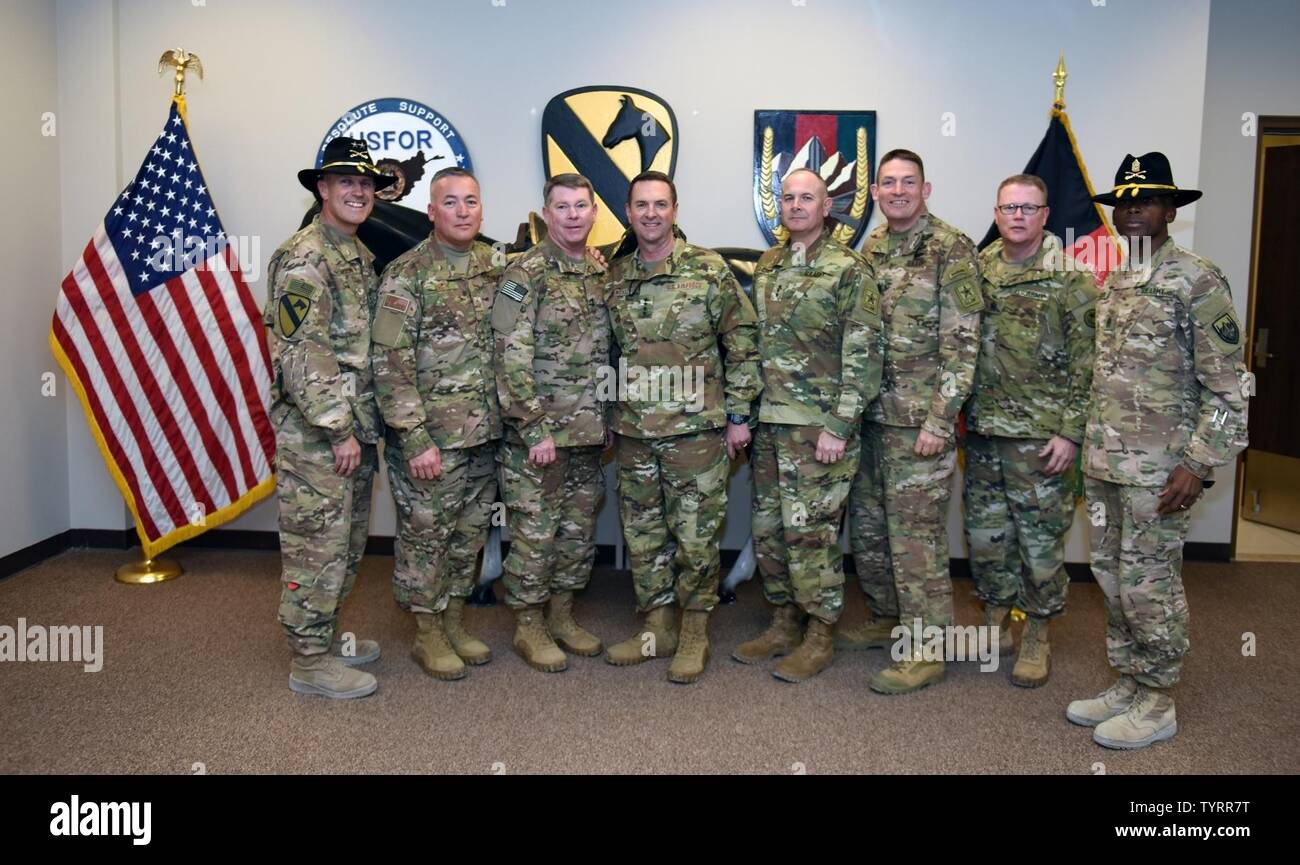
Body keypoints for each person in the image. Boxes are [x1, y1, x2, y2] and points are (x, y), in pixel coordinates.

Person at [1067, 152, 1248, 749]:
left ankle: (1159, 700)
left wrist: (1198, 463)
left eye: (1146, 200)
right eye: (1125, 201)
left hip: (1160, 470)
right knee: (1113, 576)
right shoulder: (1119, 279)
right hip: (1107, 466)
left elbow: (1230, 385)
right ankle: (1130, 680)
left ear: (1171, 209)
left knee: (1151, 584)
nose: (1134, 210)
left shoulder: (1197, 279)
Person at [603, 171, 761, 683]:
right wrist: (607, 416)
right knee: (645, 535)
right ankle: (657, 627)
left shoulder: (708, 271)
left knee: (695, 537)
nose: (651, 213)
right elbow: (606, 355)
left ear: (675, 210)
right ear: (629, 212)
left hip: (697, 433)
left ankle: (694, 632)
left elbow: (742, 344)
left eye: (661, 204)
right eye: (641, 205)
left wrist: (739, 416)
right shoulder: (616, 277)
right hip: (634, 433)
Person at [731, 168, 883, 683]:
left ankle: (819, 632)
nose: (796, 205)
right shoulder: (771, 264)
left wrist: (839, 426)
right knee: (770, 531)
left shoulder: (848, 268)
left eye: (807, 198)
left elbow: (863, 352)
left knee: (811, 534)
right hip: (772, 424)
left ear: (827, 207)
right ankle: (782, 620)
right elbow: (757, 344)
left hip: (818, 429)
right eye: (788, 197)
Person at [847, 149, 984, 695]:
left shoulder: (951, 249)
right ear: (875, 193)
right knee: (873, 529)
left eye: (908, 182)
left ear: (926, 190)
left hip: (919, 423)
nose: (897, 190)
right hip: (872, 417)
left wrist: (940, 419)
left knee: (916, 536)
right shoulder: (874, 246)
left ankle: (926, 648)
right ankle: (889, 618)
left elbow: (963, 344)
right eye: (888, 183)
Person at [264, 136, 394, 698]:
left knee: (344, 543)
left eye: (365, 184)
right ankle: (309, 661)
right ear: (323, 188)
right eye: (346, 182)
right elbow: (301, 351)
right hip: (320, 436)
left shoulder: (356, 255)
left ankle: (326, 635)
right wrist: (338, 428)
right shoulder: (307, 256)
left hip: (353, 430)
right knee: (316, 546)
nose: (358, 192)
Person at [963, 174, 1099, 687]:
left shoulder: (1072, 278)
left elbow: (1091, 363)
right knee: (985, 538)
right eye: (1008, 208)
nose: (1017, 216)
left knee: (1040, 545)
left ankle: (1038, 633)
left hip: (1043, 440)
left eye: (1028, 208)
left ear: (1045, 215)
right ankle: (996, 621)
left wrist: (1071, 432)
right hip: (982, 434)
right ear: (996, 214)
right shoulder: (977, 272)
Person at [372, 167, 501, 681]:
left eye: (471, 201)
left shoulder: (498, 269)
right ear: (431, 212)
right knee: (427, 538)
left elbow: (520, 325)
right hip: (431, 443)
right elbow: (388, 364)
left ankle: (453, 620)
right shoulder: (405, 276)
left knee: (467, 537)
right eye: (451, 202)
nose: (463, 211)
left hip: (484, 436)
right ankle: (427, 634)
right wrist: (415, 438)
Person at [491, 173, 611, 673]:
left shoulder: (601, 273)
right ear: (546, 213)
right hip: (538, 437)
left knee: (577, 532)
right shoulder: (522, 275)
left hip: (587, 433)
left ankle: (562, 615)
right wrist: (532, 425)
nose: (573, 215)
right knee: (534, 534)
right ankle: (529, 625)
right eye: (562, 207)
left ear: (593, 212)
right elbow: (506, 351)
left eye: (581, 206)